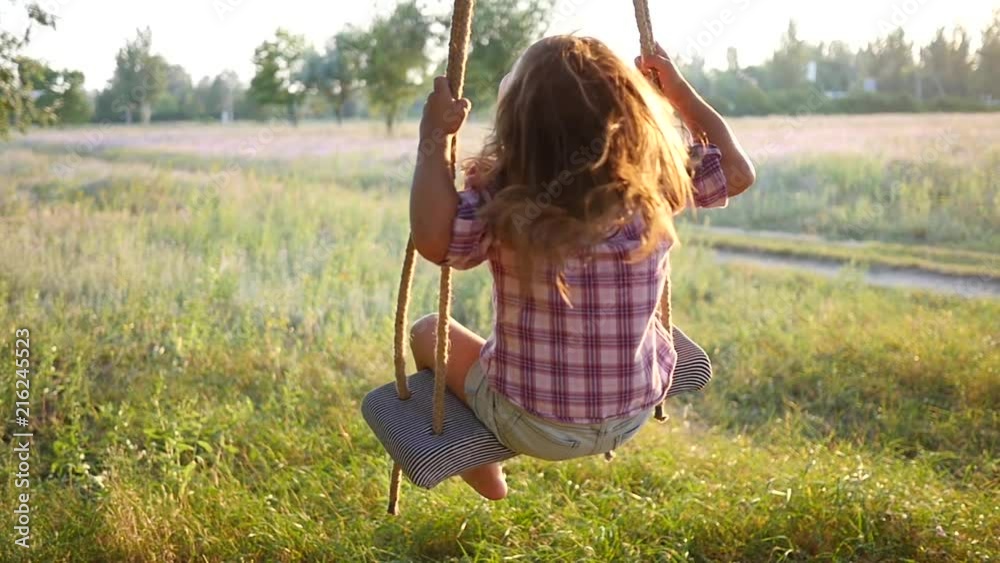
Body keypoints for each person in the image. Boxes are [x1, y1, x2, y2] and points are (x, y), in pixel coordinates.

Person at [408, 35, 755, 500]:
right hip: (634, 411)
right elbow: (738, 173)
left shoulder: (504, 201)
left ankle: (483, 468)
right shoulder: (653, 185)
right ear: (631, 112)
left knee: (428, 332)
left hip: (531, 425)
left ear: (518, 123)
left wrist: (433, 141)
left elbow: (434, 241)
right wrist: (678, 93)